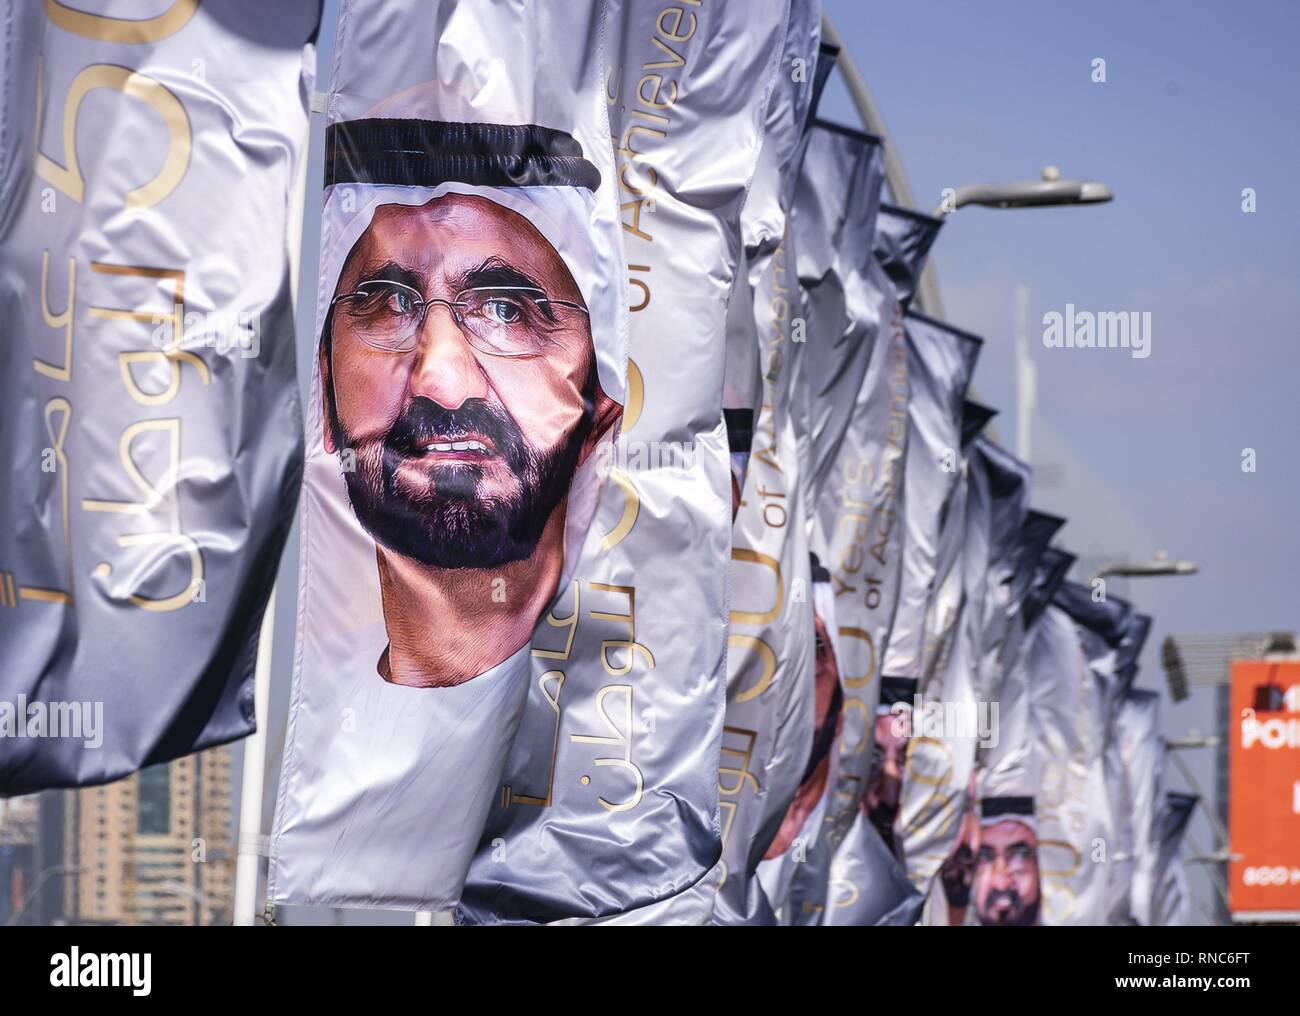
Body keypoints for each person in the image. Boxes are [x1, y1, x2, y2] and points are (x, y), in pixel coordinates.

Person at [319, 120, 621, 687]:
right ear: (326, 384)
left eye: (507, 311)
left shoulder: (626, 751)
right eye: (388, 304)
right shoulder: (313, 726)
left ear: (598, 413)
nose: (440, 379)